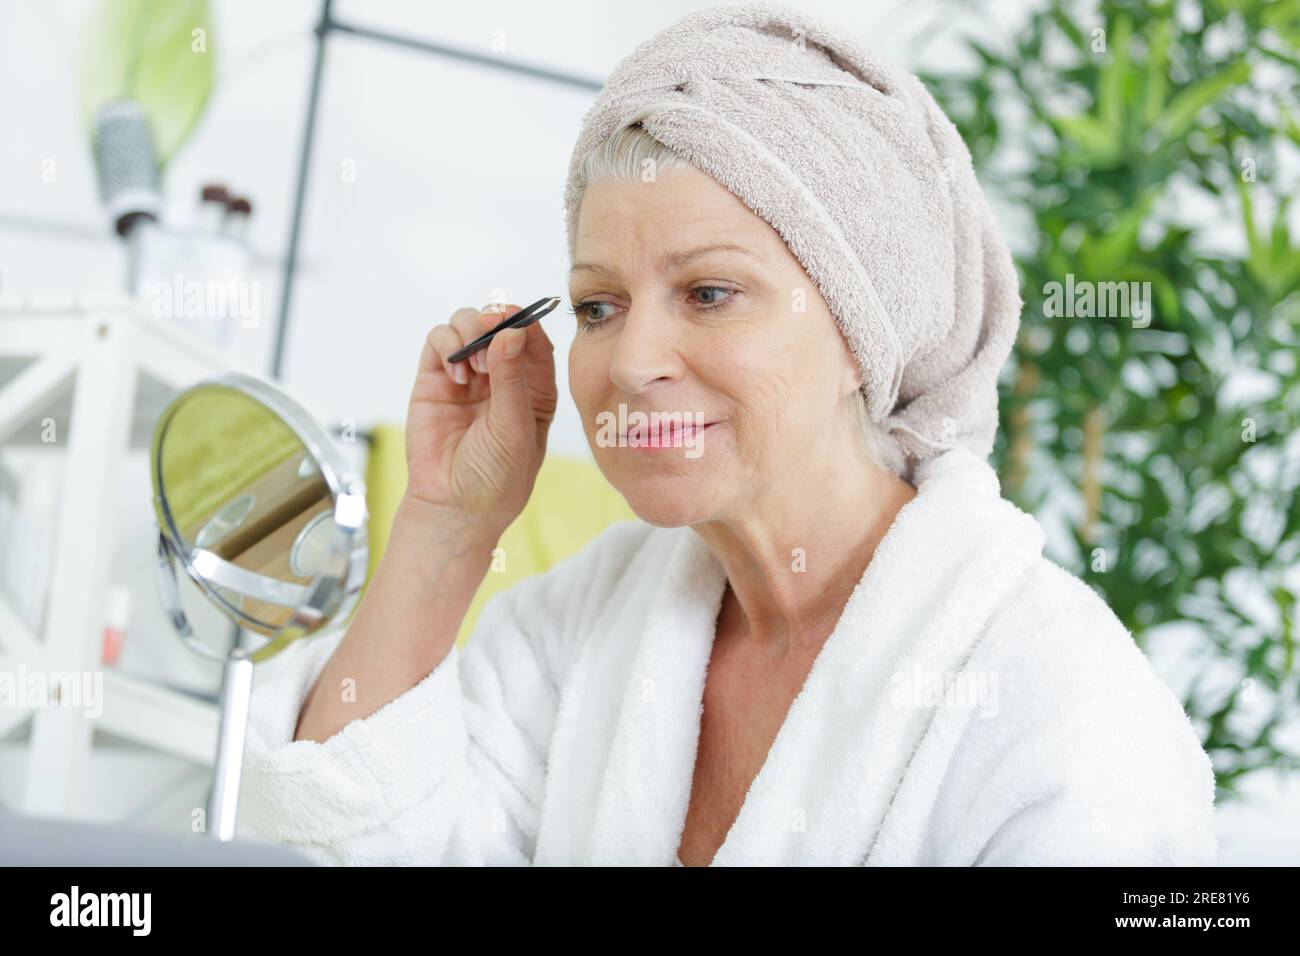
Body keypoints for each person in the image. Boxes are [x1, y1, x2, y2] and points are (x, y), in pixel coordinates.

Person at [235, 3, 1217, 866]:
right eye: (598, 304)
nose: (630, 359)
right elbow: (343, 841)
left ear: (859, 335)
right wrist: (449, 523)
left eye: (709, 292)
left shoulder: (1061, 703)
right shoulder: (584, 623)